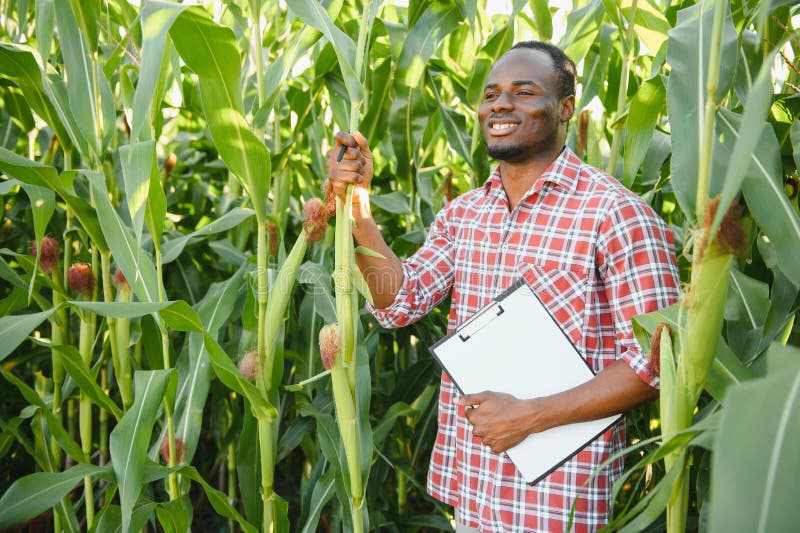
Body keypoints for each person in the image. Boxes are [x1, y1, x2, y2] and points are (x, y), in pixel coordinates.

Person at [326, 40, 681, 532]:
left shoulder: (615, 214)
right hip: (473, 486)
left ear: (565, 109)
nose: (500, 104)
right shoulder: (464, 214)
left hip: (561, 496)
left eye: (523, 91)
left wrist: (530, 416)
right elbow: (399, 300)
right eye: (491, 94)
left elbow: (658, 364)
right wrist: (358, 209)